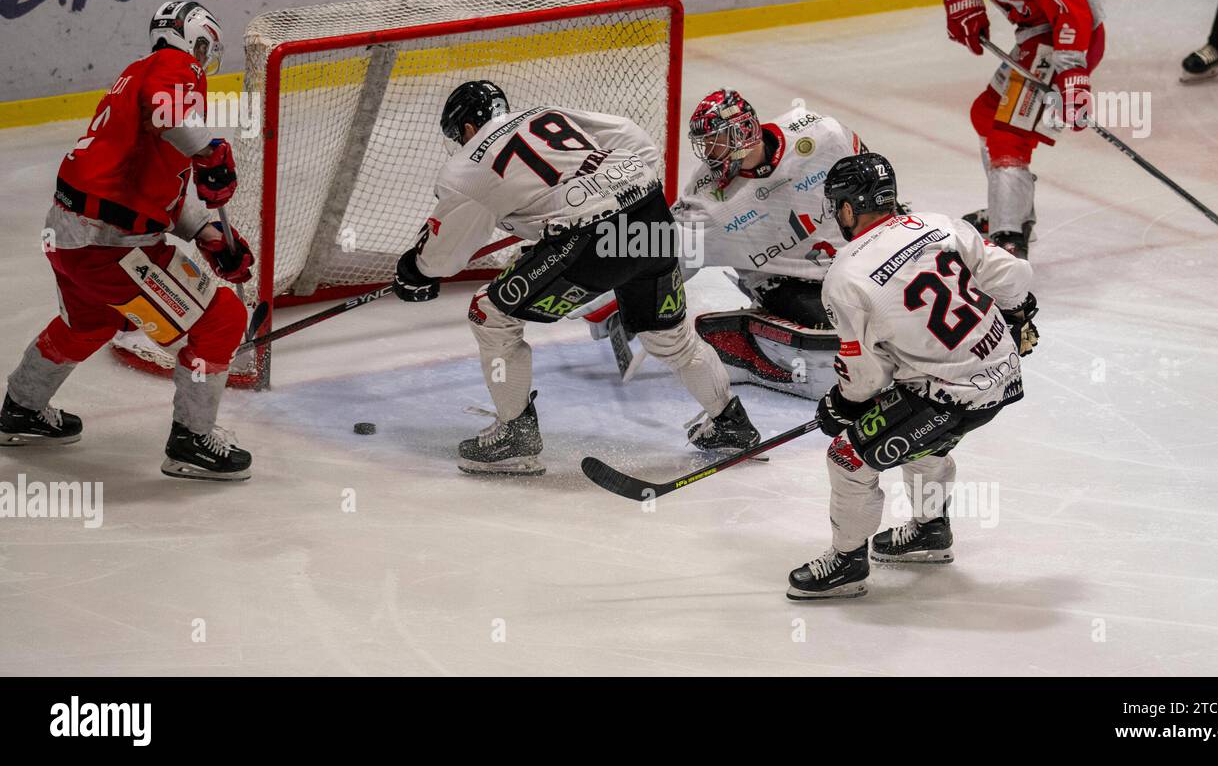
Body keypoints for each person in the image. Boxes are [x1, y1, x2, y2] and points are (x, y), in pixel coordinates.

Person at [392, 80, 760, 476]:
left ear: (465, 129)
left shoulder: (467, 165)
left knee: (490, 313)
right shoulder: (546, 115)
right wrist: (592, 191)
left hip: (589, 240)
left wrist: (415, 270)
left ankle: (515, 437)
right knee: (670, 337)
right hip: (649, 214)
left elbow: (444, 256)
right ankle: (730, 424)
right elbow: (638, 143)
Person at [1, 0, 255, 481]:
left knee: (89, 324)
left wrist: (204, 230)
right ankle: (192, 441)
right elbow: (172, 121)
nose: (204, 61)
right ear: (193, 40)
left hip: (68, 231)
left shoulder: (136, 74)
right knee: (223, 320)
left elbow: (147, 183)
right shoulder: (174, 67)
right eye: (205, 49)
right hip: (110, 247)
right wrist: (210, 154)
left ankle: (22, 408)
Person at [787, 152, 1038, 600]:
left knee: (848, 457)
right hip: (1003, 371)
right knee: (922, 440)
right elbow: (1015, 275)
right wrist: (1018, 312)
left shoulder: (846, 275)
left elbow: (866, 377)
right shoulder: (938, 224)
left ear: (847, 208)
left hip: (952, 393)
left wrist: (842, 406)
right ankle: (929, 532)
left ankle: (846, 563)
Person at [588, 88, 875, 398]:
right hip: (781, 281)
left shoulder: (821, 135)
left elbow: (869, 180)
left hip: (851, 257)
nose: (710, 152)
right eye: (706, 144)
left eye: (716, 141)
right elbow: (663, 255)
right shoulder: (705, 202)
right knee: (847, 323)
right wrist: (616, 298)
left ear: (745, 131)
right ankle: (740, 341)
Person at [943, 0, 1105, 258]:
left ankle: (1008, 238)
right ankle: (1012, 212)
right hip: (1033, 33)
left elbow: (1071, 13)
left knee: (1008, 134)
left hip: (1067, 36)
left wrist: (1073, 77)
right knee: (986, 113)